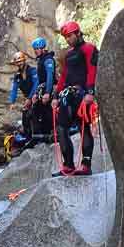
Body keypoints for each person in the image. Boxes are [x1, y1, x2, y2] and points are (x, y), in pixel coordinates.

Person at [51, 21, 99, 176]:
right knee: (60, 129)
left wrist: (90, 92)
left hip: (82, 94)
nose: (67, 40)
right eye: (65, 37)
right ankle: (69, 165)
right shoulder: (69, 55)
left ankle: (86, 165)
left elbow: (92, 71)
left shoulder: (89, 49)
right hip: (68, 95)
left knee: (83, 127)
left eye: (69, 36)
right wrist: (56, 96)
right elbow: (64, 76)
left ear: (78, 33)